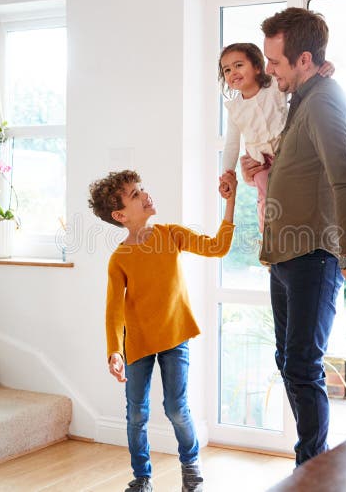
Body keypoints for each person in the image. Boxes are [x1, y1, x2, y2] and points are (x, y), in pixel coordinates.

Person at [240, 7, 346, 465]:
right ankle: (311, 464)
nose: (269, 71)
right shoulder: (303, 97)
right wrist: (263, 169)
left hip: (312, 256)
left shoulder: (324, 100)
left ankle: (312, 470)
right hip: (284, 257)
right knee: (289, 363)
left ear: (304, 60)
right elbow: (302, 167)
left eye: (275, 62)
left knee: (302, 366)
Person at [87, 169, 238, 492]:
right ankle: (142, 478)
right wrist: (114, 350)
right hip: (137, 344)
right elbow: (114, 309)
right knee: (136, 414)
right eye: (135, 194)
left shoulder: (170, 234)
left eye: (141, 188)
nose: (145, 194)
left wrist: (230, 202)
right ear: (120, 215)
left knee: (176, 408)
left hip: (174, 337)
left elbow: (217, 248)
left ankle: (191, 468)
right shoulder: (119, 259)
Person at [218, 43, 333, 232]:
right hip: (261, 161)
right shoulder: (234, 108)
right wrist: (227, 175)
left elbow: (301, 82)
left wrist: (323, 69)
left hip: (288, 153)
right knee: (267, 198)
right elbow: (231, 144)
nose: (233, 73)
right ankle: (269, 234)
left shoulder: (274, 85)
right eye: (227, 70)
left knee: (296, 193)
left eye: (238, 65)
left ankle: (304, 225)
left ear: (257, 67)